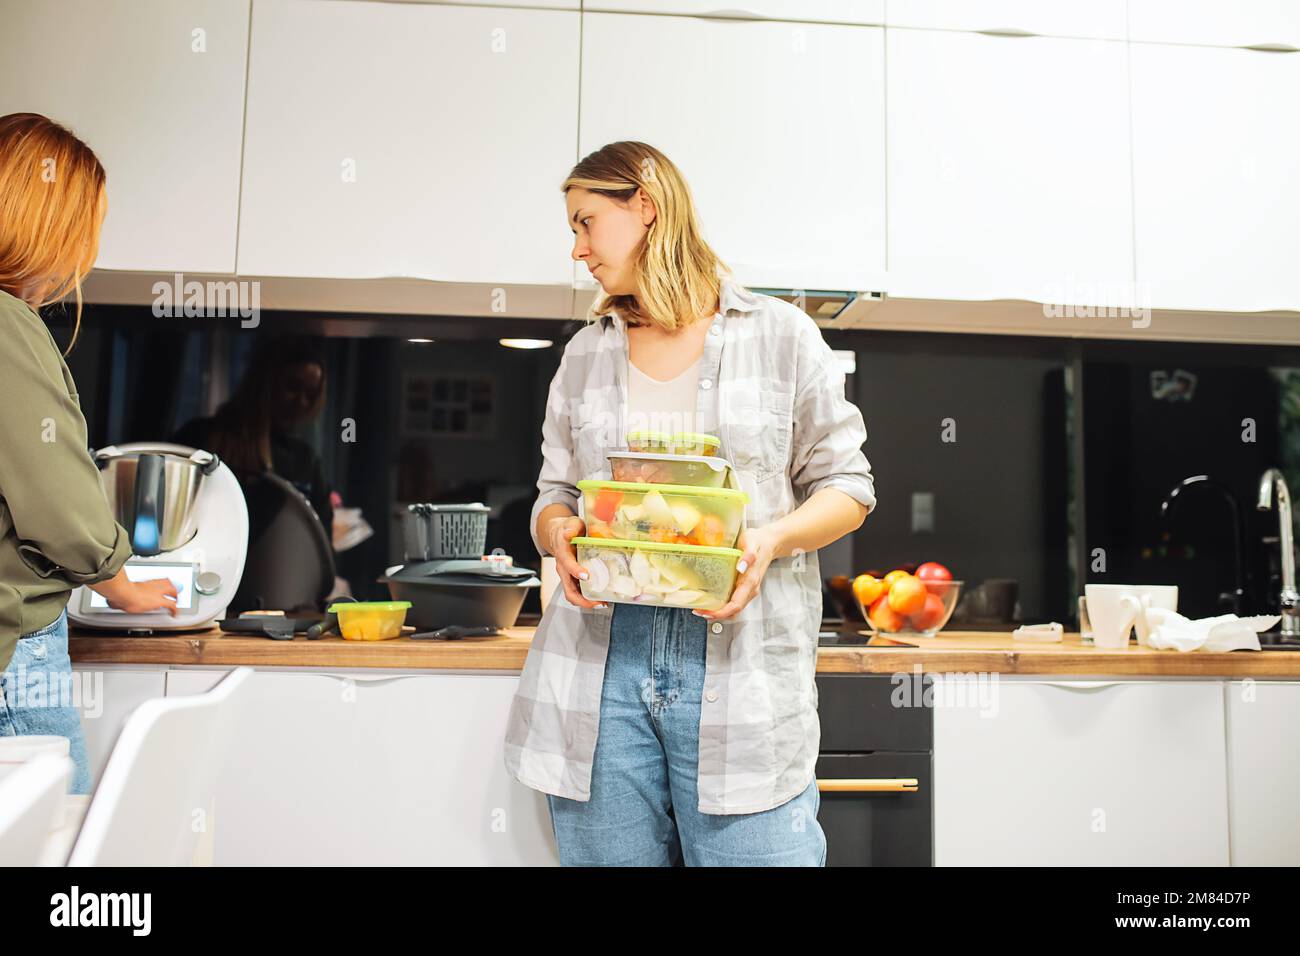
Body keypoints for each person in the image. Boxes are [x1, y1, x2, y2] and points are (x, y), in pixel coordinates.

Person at [503, 141, 877, 866]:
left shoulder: (782, 337)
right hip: (600, 666)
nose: (576, 247)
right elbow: (552, 494)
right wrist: (559, 534)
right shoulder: (586, 353)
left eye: (586, 222)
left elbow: (849, 488)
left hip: (740, 669)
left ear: (644, 206)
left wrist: (768, 540)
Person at [0, 113, 178, 794]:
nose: (86, 256)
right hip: (16, 656)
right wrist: (120, 582)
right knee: (52, 846)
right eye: (83, 231)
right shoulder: (10, 326)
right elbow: (57, 499)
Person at [173, 335, 334, 539]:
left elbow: (322, 538)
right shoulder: (200, 437)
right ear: (266, 382)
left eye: (311, 394)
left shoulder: (304, 460)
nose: (301, 402)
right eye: (292, 387)